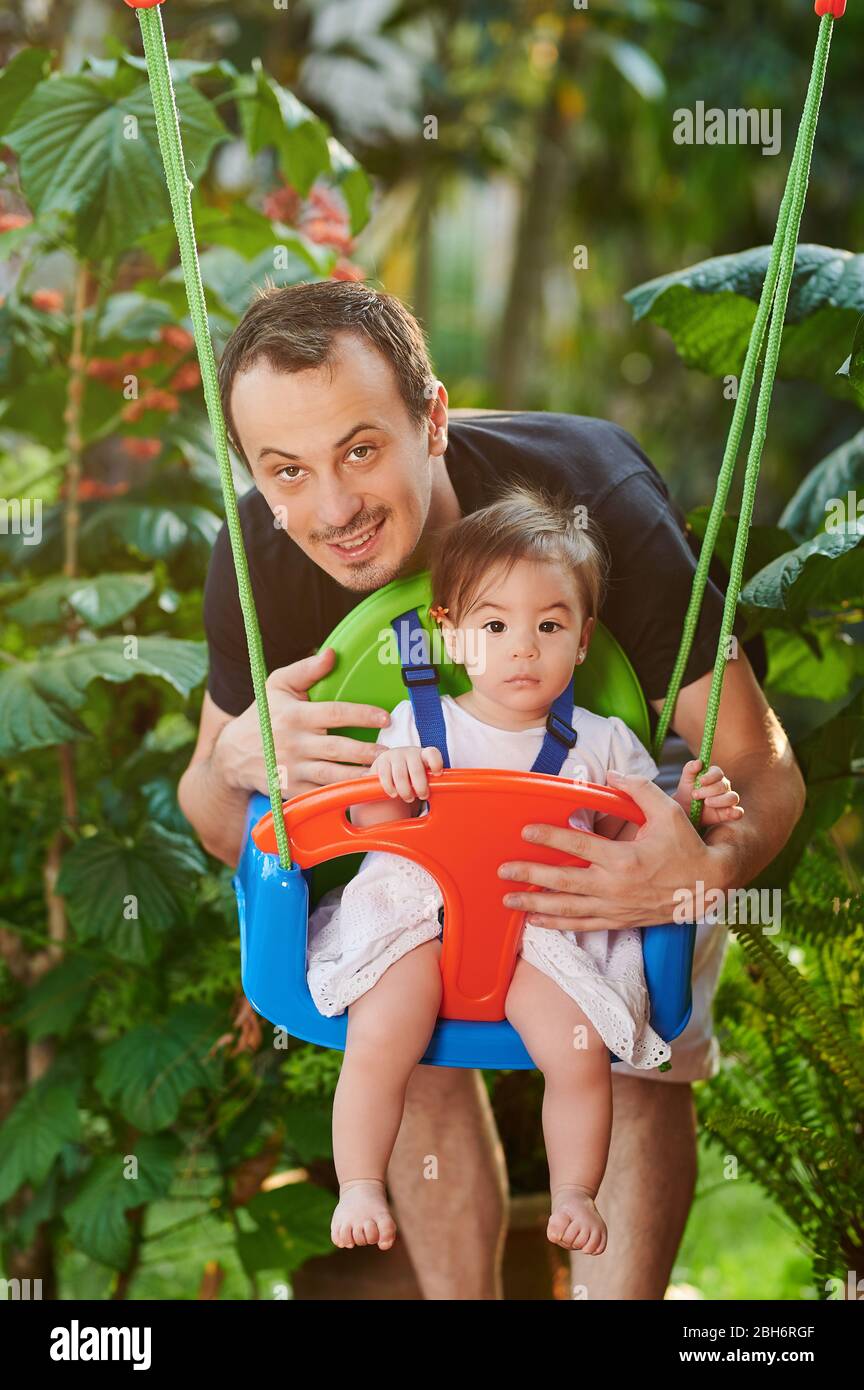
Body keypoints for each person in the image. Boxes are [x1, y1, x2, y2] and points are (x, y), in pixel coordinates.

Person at [177, 279, 805, 1300]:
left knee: (635, 1049)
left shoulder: (595, 505)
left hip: (594, 800)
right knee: (404, 1030)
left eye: (361, 449)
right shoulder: (260, 554)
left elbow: (761, 762)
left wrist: (706, 867)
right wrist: (239, 759)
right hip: (418, 841)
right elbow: (209, 815)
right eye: (284, 470)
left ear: (432, 418)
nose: (329, 509)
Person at [306, 484, 745, 1257]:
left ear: (582, 641)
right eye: (496, 625)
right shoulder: (417, 726)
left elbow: (631, 837)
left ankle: (576, 1191)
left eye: (549, 625)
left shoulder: (602, 743)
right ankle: (361, 1183)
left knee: (578, 1050)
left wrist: (687, 803)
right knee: (382, 1032)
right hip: (424, 918)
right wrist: (391, 778)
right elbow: (377, 837)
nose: (523, 647)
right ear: (451, 636)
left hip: (540, 925)